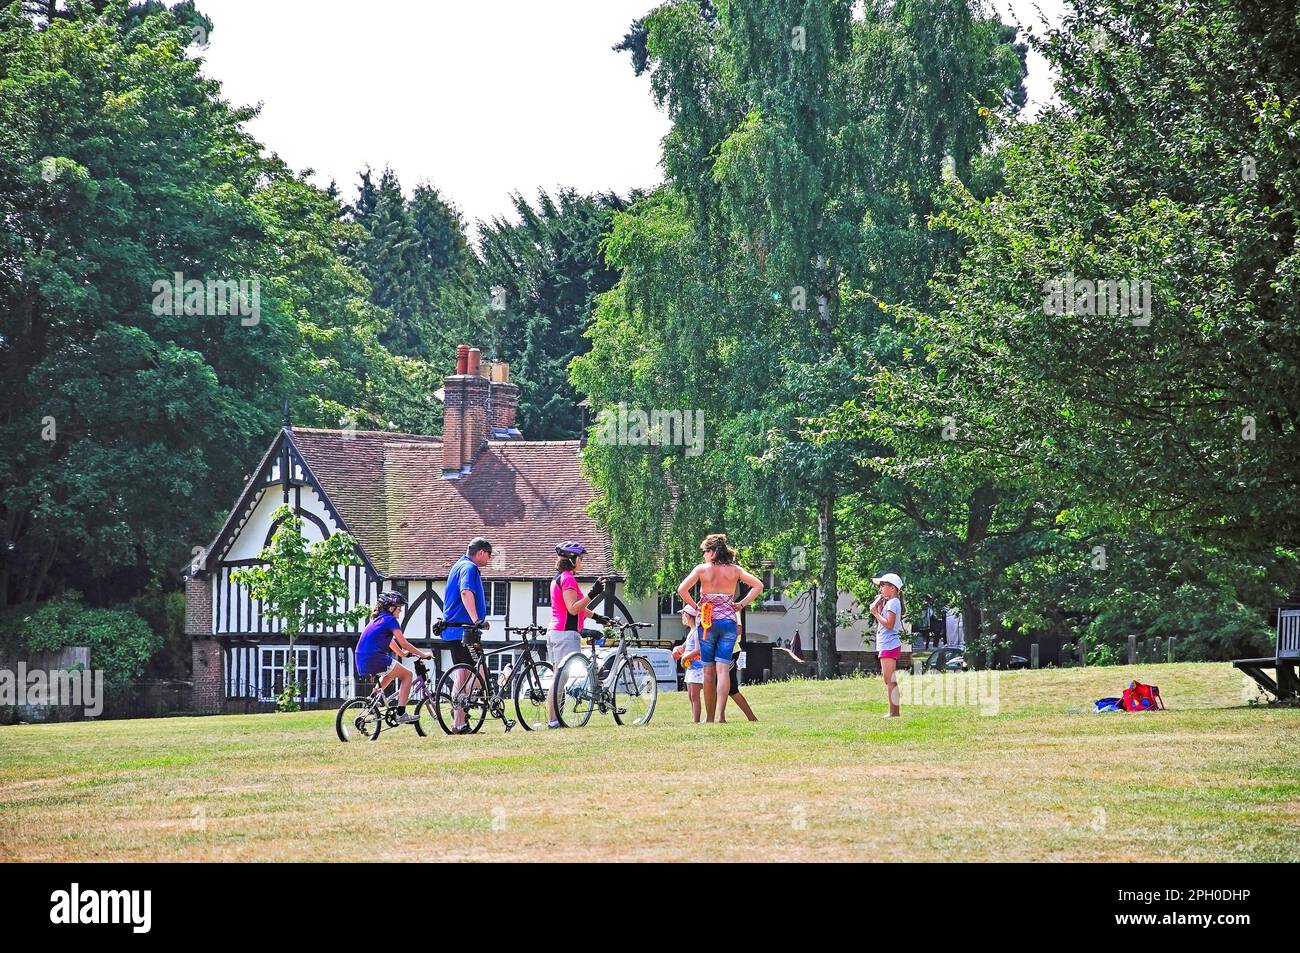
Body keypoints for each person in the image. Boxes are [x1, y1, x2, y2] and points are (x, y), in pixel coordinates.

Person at [676, 533, 763, 723]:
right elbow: (758, 585)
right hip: (728, 623)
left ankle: (709, 718)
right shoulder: (735, 570)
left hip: (707, 623)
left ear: (712, 552)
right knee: (723, 670)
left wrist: (696, 606)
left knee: (708, 671)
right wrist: (741, 604)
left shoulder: (702, 570)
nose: (704, 555)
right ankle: (721, 716)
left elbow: (681, 590)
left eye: (705, 551)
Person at [546, 541, 605, 729]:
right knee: (560, 680)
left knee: (558, 678)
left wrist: (598, 617)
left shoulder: (559, 578)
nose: (582, 562)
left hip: (555, 632)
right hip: (565, 633)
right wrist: (593, 593)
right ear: (572, 560)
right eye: (580, 559)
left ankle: (555, 719)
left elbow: (577, 607)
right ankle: (554, 720)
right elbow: (573, 609)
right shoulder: (568, 579)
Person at [354, 591, 433, 724]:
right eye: (399, 608)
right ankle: (401, 714)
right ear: (391, 608)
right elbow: (403, 642)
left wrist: (402, 654)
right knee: (407, 675)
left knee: (390, 673)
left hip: (361, 658)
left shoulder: (378, 619)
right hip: (376, 657)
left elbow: (390, 641)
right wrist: (423, 655)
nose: (400, 611)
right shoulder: (391, 620)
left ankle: (372, 700)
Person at [443, 537, 493, 732]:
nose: (489, 559)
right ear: (481, 552)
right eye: (488, 555)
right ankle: (459, 714)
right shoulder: (469, 568)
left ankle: (459, 715)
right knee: (472, 673)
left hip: (455, 629)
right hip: (462, 629)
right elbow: (465, 592)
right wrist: (476, 620)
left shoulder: (458, 565)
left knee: (464, 672)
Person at [870, 572, 905, 718]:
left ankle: (894, 712)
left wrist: (876, 614)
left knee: (890, 679)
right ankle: (893, 711)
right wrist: (878, 609)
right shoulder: (891, 602)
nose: (881, 589)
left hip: (889, 644)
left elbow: (889, 624)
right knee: (888, 679)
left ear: (892, 588)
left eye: (883, 585)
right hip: (887, 644)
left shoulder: (893, 603)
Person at [671, 605, 705, 722]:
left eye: (683, 615)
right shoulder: (691, 631)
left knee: (695, 696)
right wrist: (677, 649)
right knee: (691, 696)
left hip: (697, 668)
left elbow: (698, 650)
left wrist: (685, 658)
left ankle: (696, 720)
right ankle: (694, 719)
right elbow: (684, 647)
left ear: (688, 616)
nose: (682, 617)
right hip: (691, 668)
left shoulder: (696, 632)